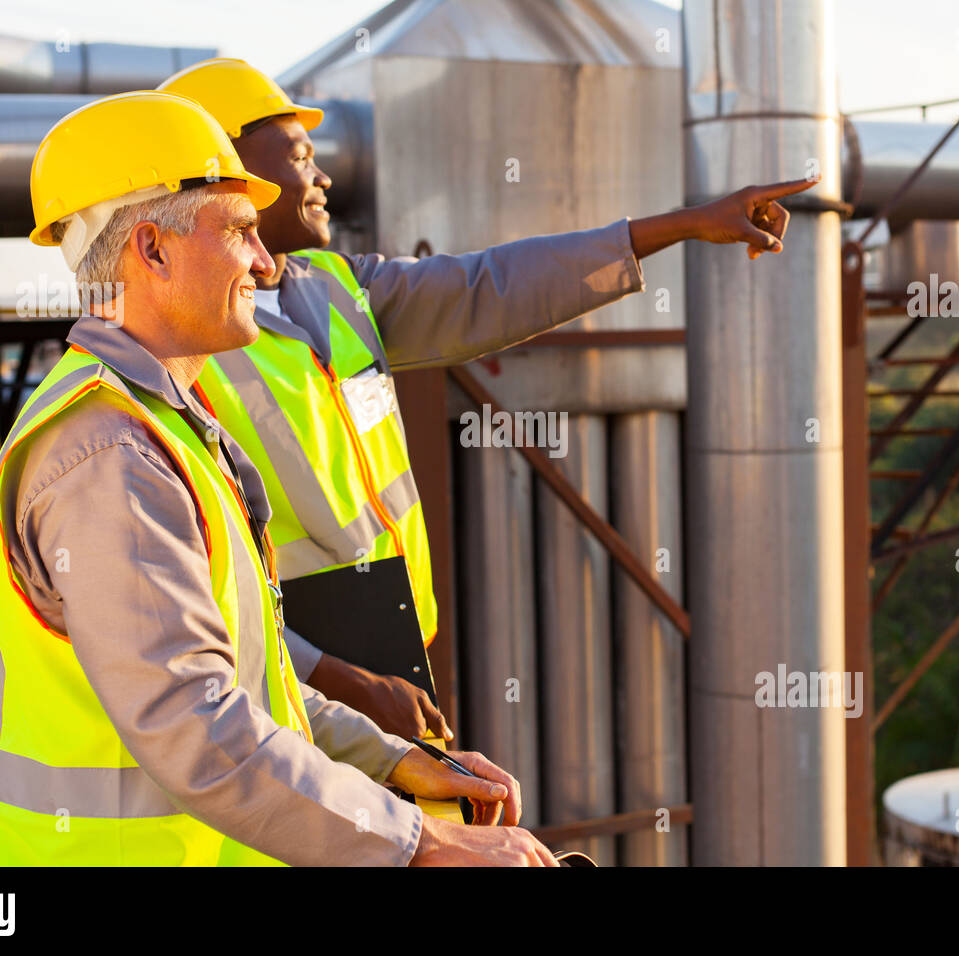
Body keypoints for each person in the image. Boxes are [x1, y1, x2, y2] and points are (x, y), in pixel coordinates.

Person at [0, 89, 555, 866]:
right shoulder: (109, 458)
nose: (266, 261)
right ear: (154, 250)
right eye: (240, 231)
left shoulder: (164, 428)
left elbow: (245, 677)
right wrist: (424, 842)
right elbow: (197, 727)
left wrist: (389, 757)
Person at [158, 59, 816, 741]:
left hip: (388, 652)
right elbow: (191, 588)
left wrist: (684, 224)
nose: (323, 178)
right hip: (282, 686)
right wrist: (331, 676)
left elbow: (492, 285)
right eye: (300, 158)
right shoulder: (184, 349)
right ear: (230, 173)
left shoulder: (335, 287)